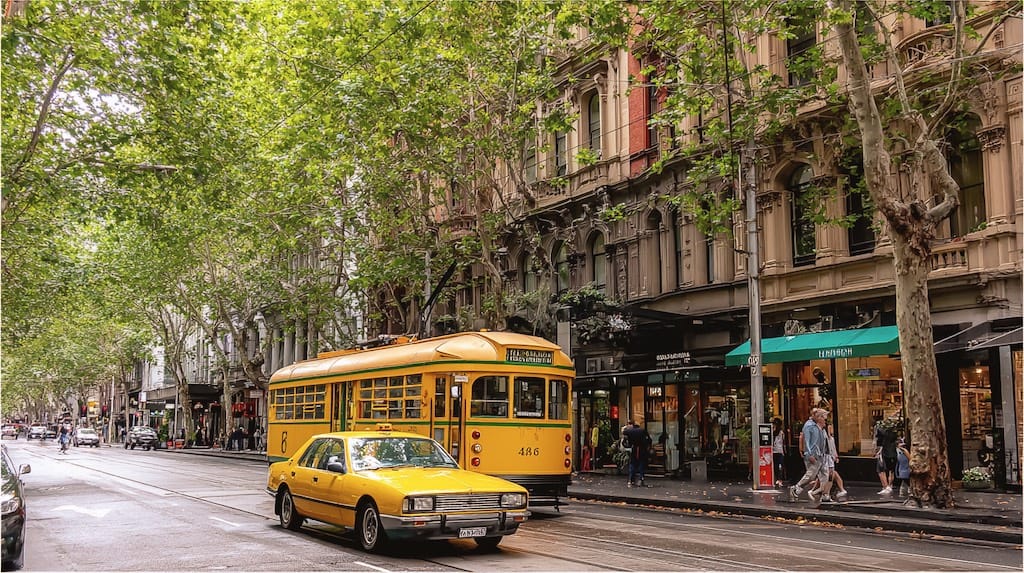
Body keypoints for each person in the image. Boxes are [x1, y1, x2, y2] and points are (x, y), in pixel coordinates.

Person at [789, 408, 830, 508]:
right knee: (811, 475)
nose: (825, 419)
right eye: (823, 417)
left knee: (825, 474)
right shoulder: (809, 426)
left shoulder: (818, 426)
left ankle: (823, 493)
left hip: (820, 455)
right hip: (813, 455)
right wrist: (808, 453)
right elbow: (806, 440)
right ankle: (796, 488)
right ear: (818, 417)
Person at [821, 422, 847, 501]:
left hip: (830, 459)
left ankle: (827, 493)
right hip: (826, 459)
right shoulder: (824, 437)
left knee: (830, 476)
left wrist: (836, 456)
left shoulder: (831, 439)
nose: (831, 430)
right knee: (829, 476)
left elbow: (833, 448)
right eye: (830, 428)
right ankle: (825, 493)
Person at [623, 421, 652, 488]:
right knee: (642, 463)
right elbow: (649, 440)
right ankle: (641, 478)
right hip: (642, 449)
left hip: (634, 448)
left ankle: (631, 480)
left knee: (633, 464)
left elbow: (625, 435)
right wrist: (648, 446)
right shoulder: (642, 431)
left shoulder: (630, 431)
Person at [875, 420, 898, 495]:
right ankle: (890, 485)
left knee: (881, 470)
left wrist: (878, 452)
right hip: (892, 453)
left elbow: (879, 443)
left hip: (884, 452)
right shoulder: (893, 434)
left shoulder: (882, 433)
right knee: (891, 470)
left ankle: (885, 486)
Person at [771, 417, 786, 487]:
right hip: (775, 451)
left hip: (778, 450)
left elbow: (782, 442)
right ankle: (777, 479)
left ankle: (779, 479)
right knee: (776, 466)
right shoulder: (773, 432)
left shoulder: (780, 432)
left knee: (779, 466)